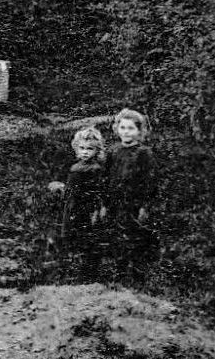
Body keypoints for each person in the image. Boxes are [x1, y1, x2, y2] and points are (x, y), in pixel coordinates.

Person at [47, 126, 107, 282]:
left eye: (90, 149)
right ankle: (74, 271)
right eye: (82, 148)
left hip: (85, 209)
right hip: (73, 208)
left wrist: (62, 188)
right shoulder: (76, 167)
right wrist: (62, 188)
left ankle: (87, 274)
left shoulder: (94, 169)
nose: (85, 152)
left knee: (86, 241)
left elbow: (95, 192)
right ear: (76, 148)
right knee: (73, 239)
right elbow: (73, 190)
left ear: (97, 150)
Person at [106, 108, 159, 280]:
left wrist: (145, 206)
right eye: (123, 128)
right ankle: (120, 279)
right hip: (116, 203)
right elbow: (106, 179)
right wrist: (104, 205)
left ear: (139, 131)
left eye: (131, 128)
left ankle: (138, 280)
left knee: (136, 240)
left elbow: (150, 182)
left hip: (135, 205)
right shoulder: (113, 151)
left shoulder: (144, 153)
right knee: (117, 240)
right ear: (117, 129)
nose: (126, 132)